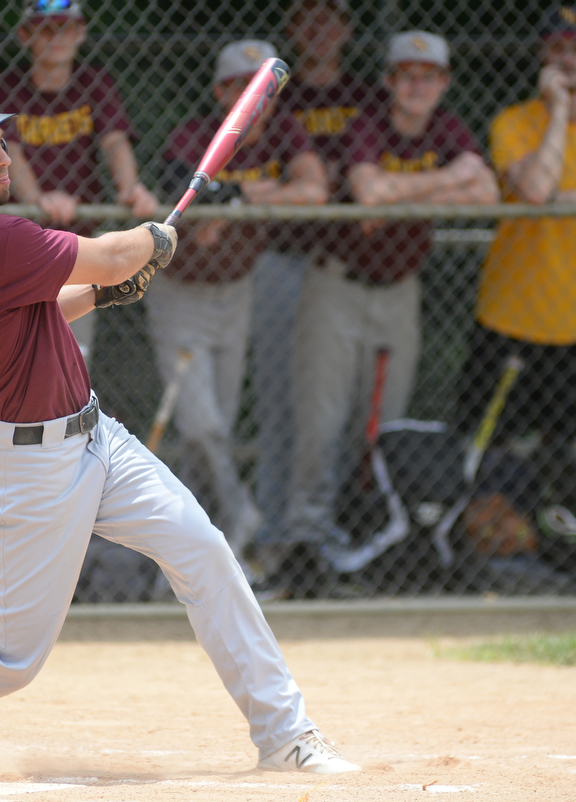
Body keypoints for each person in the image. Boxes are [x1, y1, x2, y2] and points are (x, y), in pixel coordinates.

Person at [0, 85, 361, 777]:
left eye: (0, 141)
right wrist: (153, 239)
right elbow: (118, 251)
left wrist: (100, 291)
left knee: (204, 551)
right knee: (9, 658)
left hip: (96, 437)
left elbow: (27, 315)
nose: (3, 156)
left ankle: (285, 735)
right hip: (27, 468)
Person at [282, 32, 499, 594]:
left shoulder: (447, 128)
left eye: (429, 75)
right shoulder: (367, 123)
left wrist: (405, 191)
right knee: (321, 422)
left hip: (400, 290)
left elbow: (489, 194)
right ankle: (305, 546)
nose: (418, 84)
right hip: (337, 286)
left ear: (445, 83)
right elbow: (369, 190)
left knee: (383, 425)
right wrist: (450, 180)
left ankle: (371, 540)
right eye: (407, 74)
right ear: (388, 80)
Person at [147, 40, 326, 558]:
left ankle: (195, 552)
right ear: (221, 91)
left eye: (261, 89)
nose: (254, 99)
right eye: (241, 88)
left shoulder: (287, 134)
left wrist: (243, 199)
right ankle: (240, 515)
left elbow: (314, 191)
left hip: (236, 293)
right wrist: (213, 210)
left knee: (214, 431)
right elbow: (189, 221)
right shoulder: (193, 139)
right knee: (202, 428)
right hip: (182, 296)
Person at [250, 0, 390, 588]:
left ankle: (332, 536)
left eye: (332, 15)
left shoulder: (365, 94)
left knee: (345, 412)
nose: (320, 27)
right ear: (290, 26)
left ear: (349, 27)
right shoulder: (280, 94)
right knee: (284, 404)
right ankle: (280, 533)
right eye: (306, 15)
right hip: (283, 257)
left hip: (345, 263)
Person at [457, 5, 576, 507]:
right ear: (542, 55)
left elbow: (543, 191)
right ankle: (482, 549)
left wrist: (557, 197)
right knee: (488, 449)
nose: (568, 58)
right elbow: (536, 190)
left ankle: (560, 548)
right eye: (558, 48)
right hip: (508, 318)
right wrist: (557, 110)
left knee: (566, 455)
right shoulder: (514, 122)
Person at [0, 0, 158, 364]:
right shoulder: (5, 86)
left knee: (70, 357)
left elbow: (114, 141)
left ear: (80, 33)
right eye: (46, 28)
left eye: (65, 27)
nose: (57, 37)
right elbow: (7, 148)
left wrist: (130, 187)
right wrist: (39, 198)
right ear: (25, 34)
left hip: (76, 246)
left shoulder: (93, 81)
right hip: (15, 240)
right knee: (5, 354)